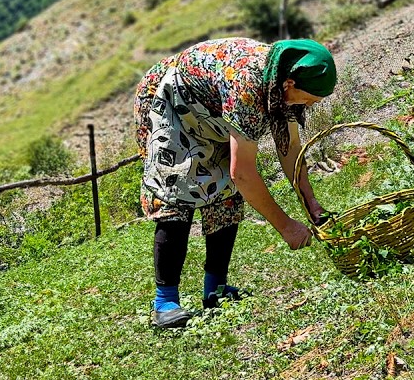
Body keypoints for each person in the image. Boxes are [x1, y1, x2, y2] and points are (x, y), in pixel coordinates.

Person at [134, 37, 336, 329]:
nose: (309, 105)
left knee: (225, 193)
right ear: (290, 84)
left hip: (211, 110)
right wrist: (286, 227)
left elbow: (290, 147)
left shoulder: (280, 82)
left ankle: (215, 291)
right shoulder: (249, 85)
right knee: (176, 194)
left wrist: (311, 204)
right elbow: (243, 173)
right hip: (170, 100)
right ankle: (165, 303)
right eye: (309, 99)